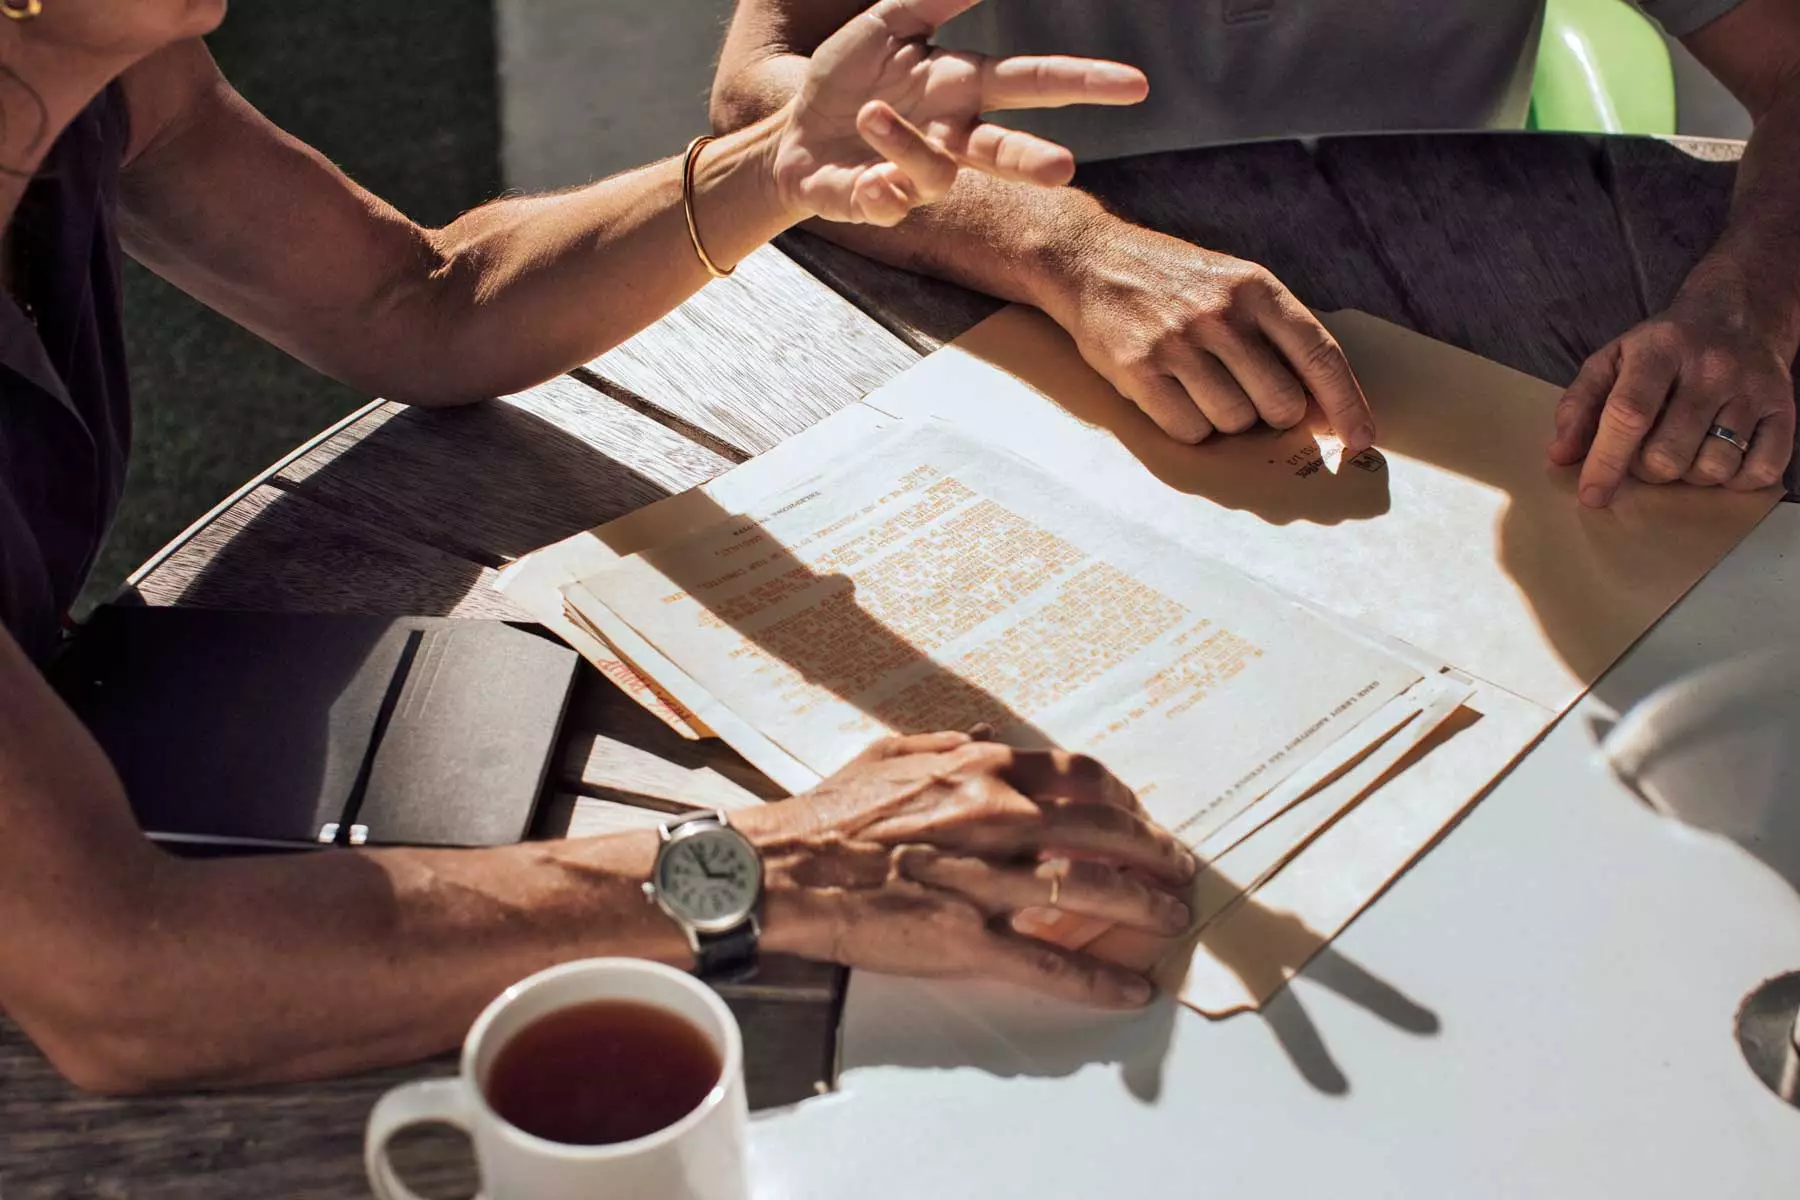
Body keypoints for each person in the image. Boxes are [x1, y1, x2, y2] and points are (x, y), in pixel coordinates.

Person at [0, 0, 1200, 1094]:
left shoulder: (112, 66)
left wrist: (768, 171)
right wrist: (783, 866)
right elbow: (127, 986)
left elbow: (417, 306)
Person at [712, 0, 1800, 507]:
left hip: (1449, 338)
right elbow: (764, 88)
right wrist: (1066, 248)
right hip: (1021, 303)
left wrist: (1748, 297)